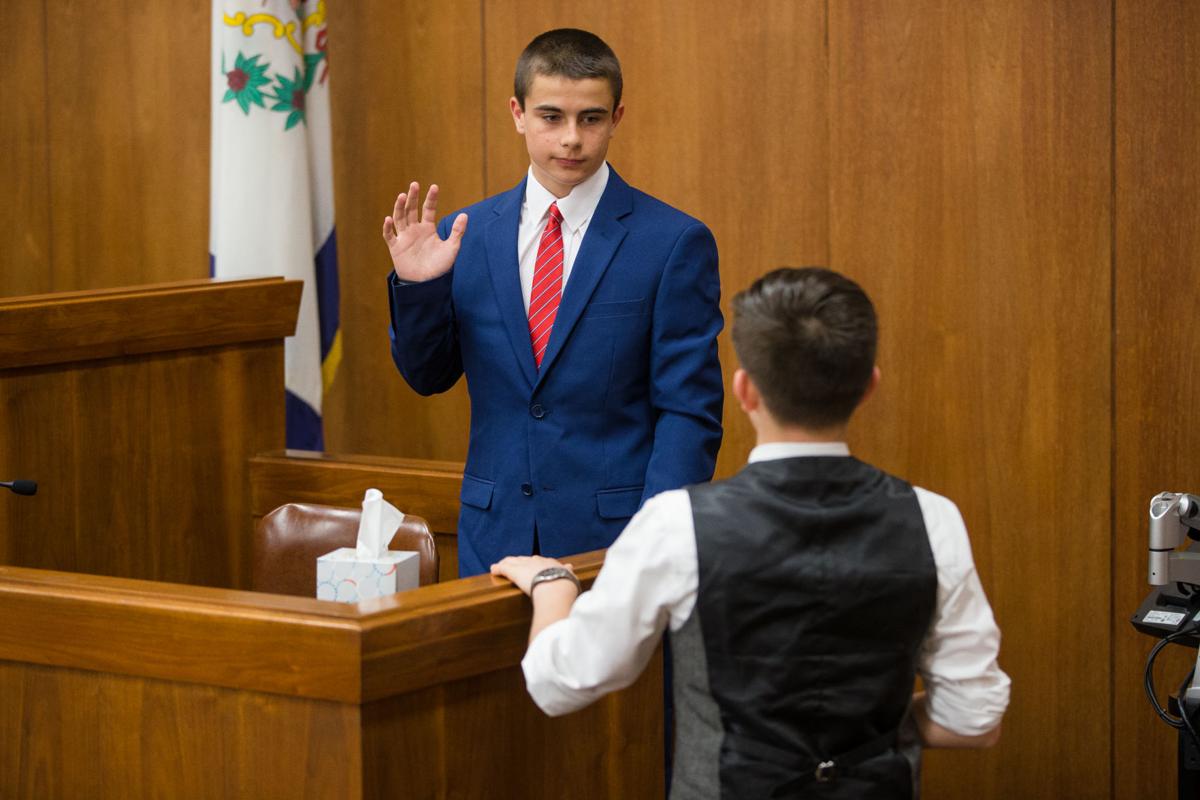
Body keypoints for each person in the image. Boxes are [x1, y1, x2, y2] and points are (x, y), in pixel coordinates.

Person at [492, 267, 1010, 799]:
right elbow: (974, 721)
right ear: (868, 387)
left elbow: (557, 683)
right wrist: (873, 734)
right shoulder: (933, 518)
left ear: (744, 390)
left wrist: (555, 581)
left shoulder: (676, 525)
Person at [383, 28, 723, 577]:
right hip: (494, 539)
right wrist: (420, 287)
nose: (570, 139)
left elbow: (689, 412)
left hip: (617, 546)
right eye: (550, 117)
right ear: (517, 113)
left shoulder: (672, 242)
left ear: (616, 118)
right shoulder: (463, 236)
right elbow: (427, 377)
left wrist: (655, 542)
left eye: (590, 118)